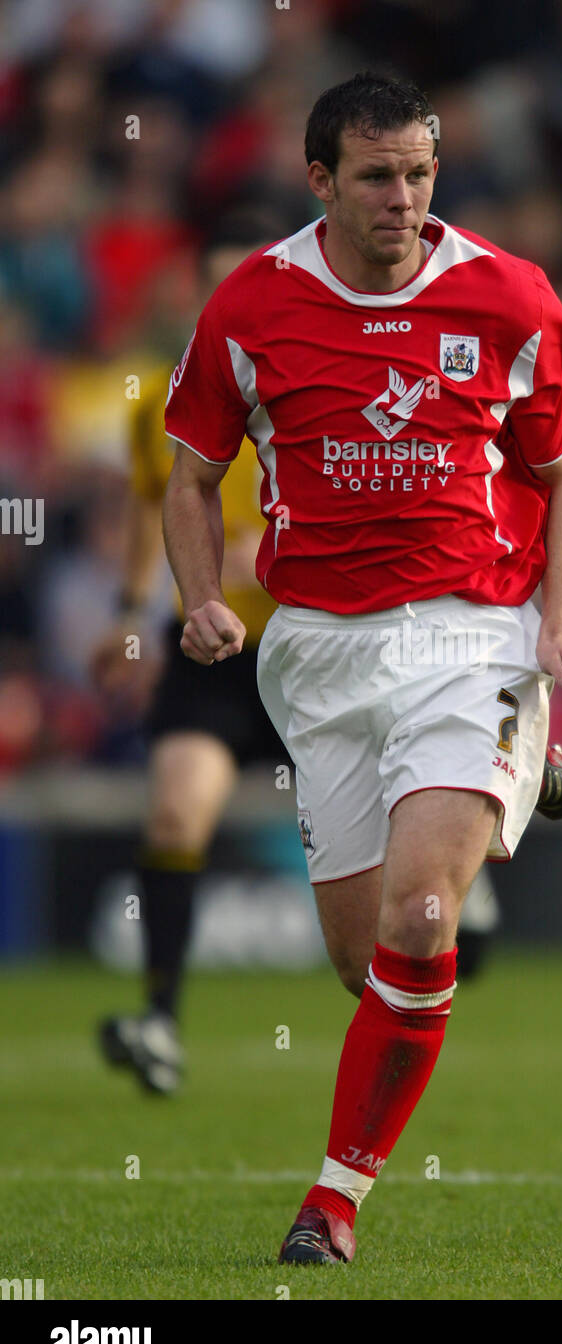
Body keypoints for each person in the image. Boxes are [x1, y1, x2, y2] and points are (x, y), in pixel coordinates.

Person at [161, 72, 562, 1265]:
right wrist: (199, 597)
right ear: (319, 179)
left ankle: (332, 1201)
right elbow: (192, 474)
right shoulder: (250, 305)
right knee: (369, 963)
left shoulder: (508, 297)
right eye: (374, 175)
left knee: (421, 912)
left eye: (418, 172)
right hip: (318, 653)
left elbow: (561, 479)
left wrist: (557, 633)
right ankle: (512, 794)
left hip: (473, 633)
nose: (402, 197)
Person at [94, 211, 290, 1095]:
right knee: (175, 818)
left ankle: (464, 889)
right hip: (211, 651)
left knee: (392, 847)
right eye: (210, 282)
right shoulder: (161, 402)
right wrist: (132, 610)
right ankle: (161, 1021)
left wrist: (281, 555)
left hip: (313, 649)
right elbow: (150, 502)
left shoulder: (316, 387)